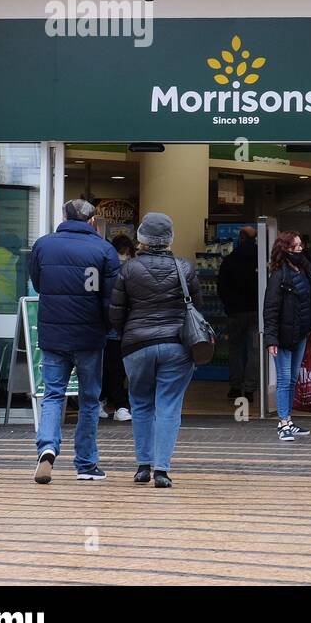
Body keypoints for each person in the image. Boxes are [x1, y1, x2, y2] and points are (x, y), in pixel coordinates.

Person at [28, 199, 121, 484]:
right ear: (92, 221)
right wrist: (110, 329)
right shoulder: (105, 250)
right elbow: (111, 298)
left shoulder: (44, 245)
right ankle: (86, 464)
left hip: (53, 335)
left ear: (64, 216)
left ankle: (46, 447)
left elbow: (38, 284)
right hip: (90, 336)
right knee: (90, 400)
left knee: (54, 394)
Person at [108, 213, 201, 488]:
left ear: (141, 239)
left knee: (140, 404)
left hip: (136, 346)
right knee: (169, 406)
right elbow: (196, 308)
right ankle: (162, 470)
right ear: (170, 238)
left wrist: (129, 335)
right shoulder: (184, 268)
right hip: (177, 346)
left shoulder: (128, 269)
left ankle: (142, 466)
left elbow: (116, 313)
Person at [263, 231, 311, 442]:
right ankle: (283, 422)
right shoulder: (279, 275)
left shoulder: (305, 269)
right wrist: (271, 339)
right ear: (285, 249)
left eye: (300, 245)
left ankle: (288, 421)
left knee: (293, 378)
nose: (300, 249)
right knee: (285, 379)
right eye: (295, 246)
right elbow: (270, 309)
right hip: (284, 336)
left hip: (301, 333)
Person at [218, 226, 259, 401]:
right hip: (256, 311)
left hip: (235, 311)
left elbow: (222, 287)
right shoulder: (261, 259)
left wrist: (228, 305)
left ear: (240, 238)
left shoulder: (230, 260)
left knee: (235, 349)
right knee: (254, 350)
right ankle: (250, 389)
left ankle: (235, 387)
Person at [100, 233, 135, 423]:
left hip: (106, 327)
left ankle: (101, 401)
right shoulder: (130, 270)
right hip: (124, 328)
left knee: (107, 368)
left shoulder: (106, 269)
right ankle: (121, 405)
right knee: (119, 370)